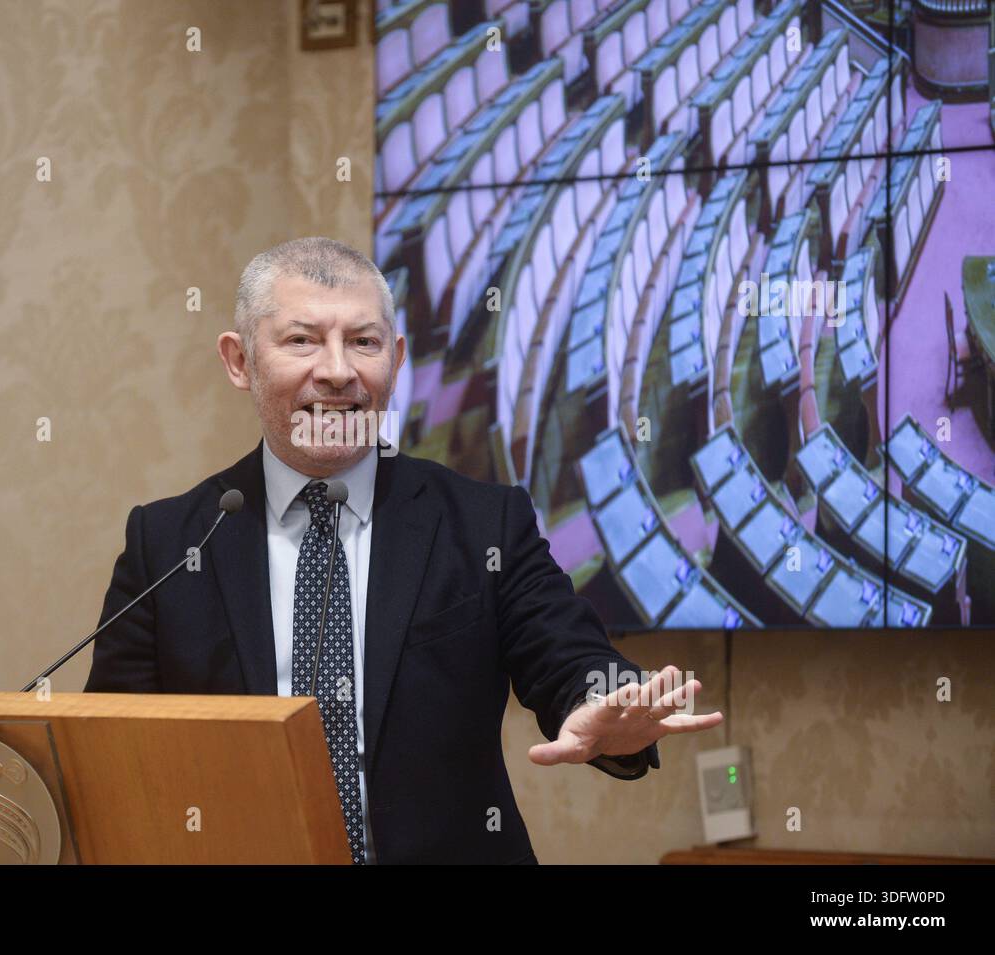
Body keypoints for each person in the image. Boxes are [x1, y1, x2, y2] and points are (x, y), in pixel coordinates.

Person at [84, 236, 724, 864]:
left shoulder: (483, 524)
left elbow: (566, 654)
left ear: (395, 358)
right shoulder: (171, 542)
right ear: (240, 361)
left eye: (363, 343)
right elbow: (112, 754)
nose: (338, 372)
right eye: (302, 340)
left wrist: (600, 701)